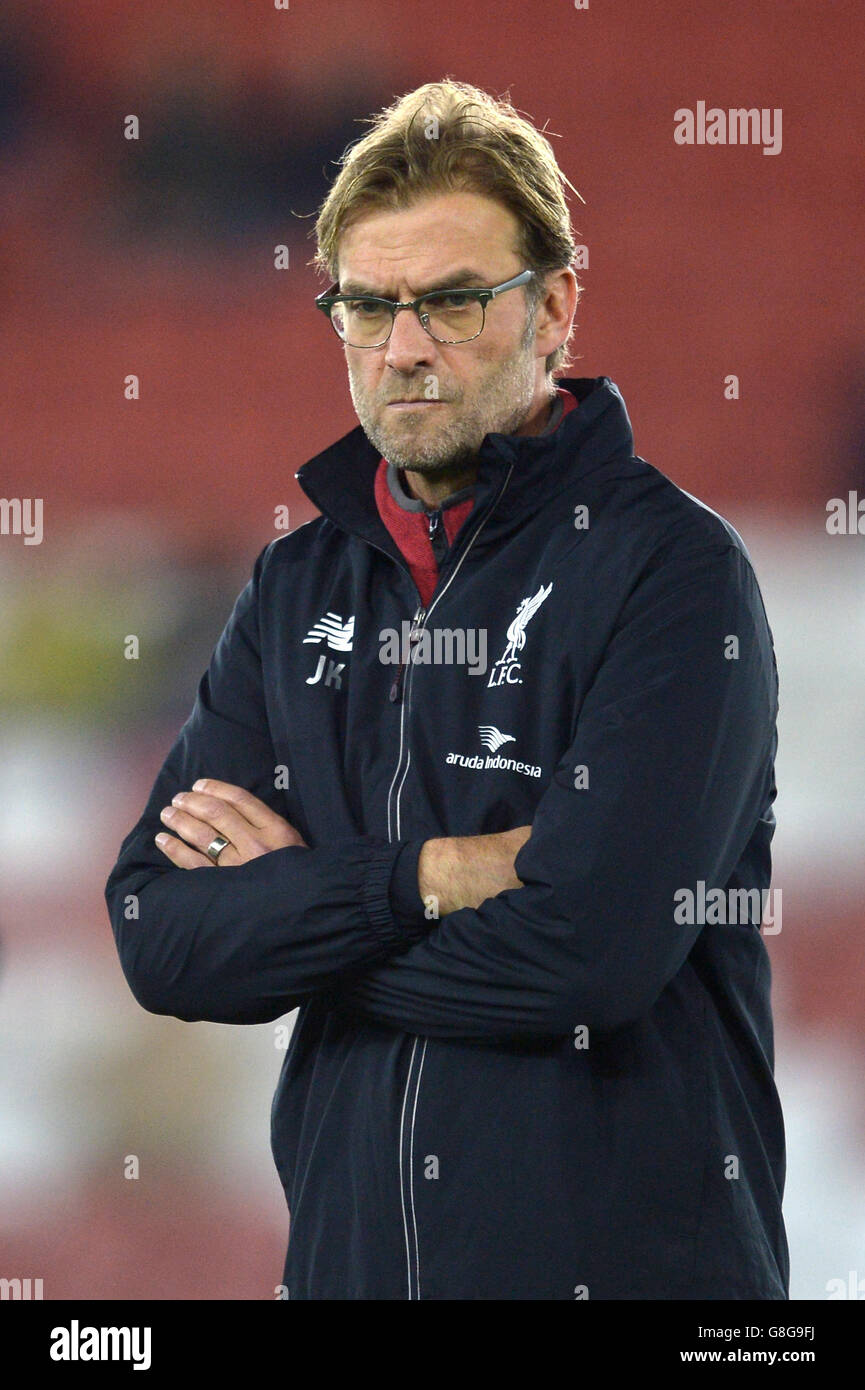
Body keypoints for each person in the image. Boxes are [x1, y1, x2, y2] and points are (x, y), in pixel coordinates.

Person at [105, 80, 789, 1300]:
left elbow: (587, 957)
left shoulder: (673, 572)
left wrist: (296, 918)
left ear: (556, 306)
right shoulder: (292, 583)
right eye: (367, 306)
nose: (404, 346)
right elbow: (162, 935)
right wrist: (423, 878)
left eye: (454, 301)